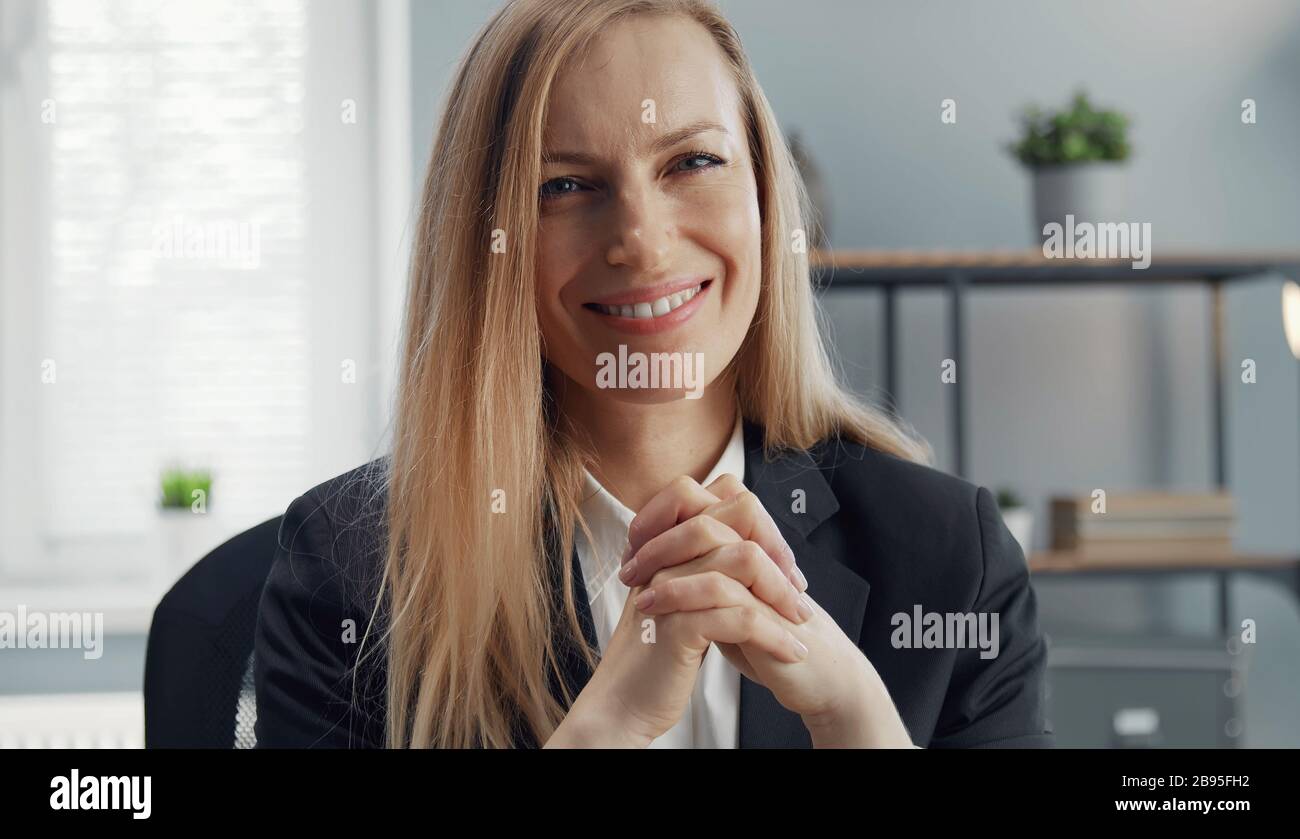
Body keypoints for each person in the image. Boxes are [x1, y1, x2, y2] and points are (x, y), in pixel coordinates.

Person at [253, 0, 1052, 749]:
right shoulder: (348, 576)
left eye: (693, 160)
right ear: (486, 242)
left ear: (769, 200)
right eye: (564, 186)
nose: (643, 241)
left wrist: (856, 715)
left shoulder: (953, 559)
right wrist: (609, 726)